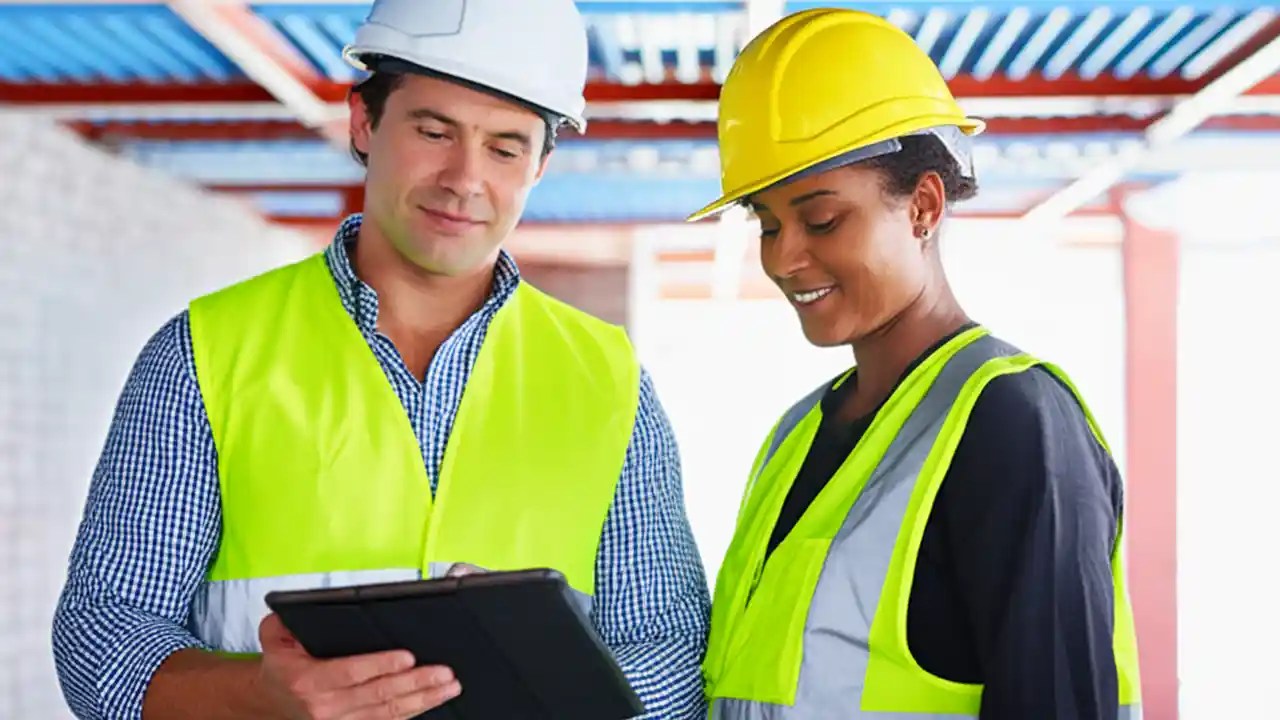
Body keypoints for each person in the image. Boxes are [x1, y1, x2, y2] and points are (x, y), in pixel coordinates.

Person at [51, 1, 710, 718]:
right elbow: (102, 633)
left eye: (505, 148)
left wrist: (531, 680)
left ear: (541, 164)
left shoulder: (608, 382)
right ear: (364, 122)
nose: (464, 178)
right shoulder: (205, 355)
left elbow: (671, 653)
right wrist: (259, 697)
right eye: (434, 131)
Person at [687, 9, 1141, 720]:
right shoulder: (793, 437)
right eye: (767, 223)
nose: (782, 257)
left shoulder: (1013, 425)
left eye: (822, 220)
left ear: (924, 206)